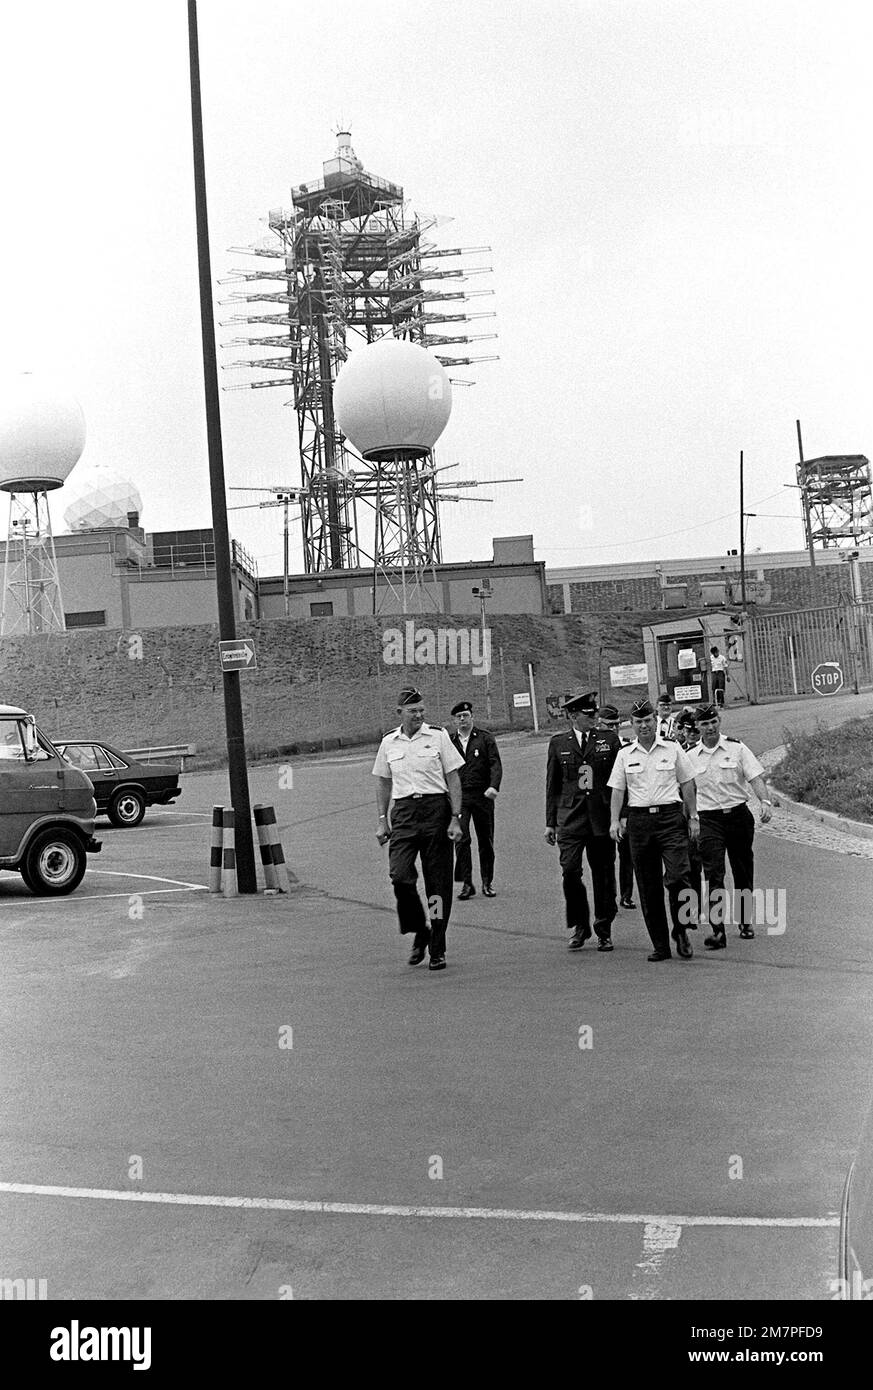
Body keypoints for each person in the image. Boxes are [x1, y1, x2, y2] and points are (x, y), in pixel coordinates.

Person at [371, 686, 464, 971]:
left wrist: (456, 817)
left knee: (437, 886)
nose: (419, 716)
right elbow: (383, 782)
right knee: (399, 875)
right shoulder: (389, 742)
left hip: (436, 812)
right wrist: (382, 820)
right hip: (404, 814)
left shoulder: (438, 736)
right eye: (413, 712)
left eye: (422, 710)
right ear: (399, 713)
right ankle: (419, 929)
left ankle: (437, 944)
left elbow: (453, 778)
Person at [608, 698, 698, 962]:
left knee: (679, 876)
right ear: (632, 725)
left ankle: (681, 930)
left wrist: (693, 817)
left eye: (648, 720)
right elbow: (618, 789)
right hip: (640, 823)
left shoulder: (672, 749)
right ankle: (660, 945)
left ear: (655, 721)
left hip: (671, 819)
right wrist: (615, 820)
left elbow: (688, 783)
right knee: (648, 887)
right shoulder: (625, 754)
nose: (644, 725)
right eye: (639, 722)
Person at [685, 703, 773, 949]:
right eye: (704, 724)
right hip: (709, 820)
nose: (710, 727)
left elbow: (755, 777)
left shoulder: (737, 747)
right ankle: (718, 930)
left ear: (719, 721)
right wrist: (691, 818)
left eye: (713, 722)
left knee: (742, 870)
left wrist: (764, 801)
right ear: (698, 727)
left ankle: (745, 921)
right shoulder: (690, 756)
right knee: (713, 874)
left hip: (738, 817)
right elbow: (687, 790)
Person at [545, 691, 621, 952]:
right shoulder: (558, 743)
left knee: (604, 876)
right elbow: (552, 785)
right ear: (574, 716)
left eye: (594, 714)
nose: (594, 718)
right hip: (571, 819)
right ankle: (580, 924)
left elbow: (619, 783)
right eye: (589, 715)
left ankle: (603, 928)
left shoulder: (609, 740)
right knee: (570, 871)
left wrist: (620, 816)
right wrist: (550, 822)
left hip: (601, 818)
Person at [448, 700, 502, 899]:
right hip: (460, 797)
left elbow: (495, 764)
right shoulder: (450, 741)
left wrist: (493, 786)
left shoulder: (485, 738)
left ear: (472, 717)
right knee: (461, 839)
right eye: (459, 717)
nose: (462, 719)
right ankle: (467, 884)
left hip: (482, 796)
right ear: (454, 721)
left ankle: (487, 882)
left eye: (466, 716)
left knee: (485, 840)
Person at [598, 704, 635, 909]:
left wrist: (625, 814)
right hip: (602, 810)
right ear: (599, 724)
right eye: (609, 725)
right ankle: (609, 896)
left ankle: (626, 894)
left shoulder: (627, 747)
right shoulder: (593, 747)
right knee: (606, 858)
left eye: (616, 725)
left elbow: (630, 783)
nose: (614, 729)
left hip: (622, 808)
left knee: (627, 853)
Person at [674, 709, 705, 923]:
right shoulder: (677, 751)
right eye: (689, 730)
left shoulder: (703, 752)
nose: (692, 734)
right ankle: (687, 907)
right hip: (678, 812)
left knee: (696, 862)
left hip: (700, 810)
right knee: (680, 863)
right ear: (683, 731)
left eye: (696, 731)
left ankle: (699, 907)